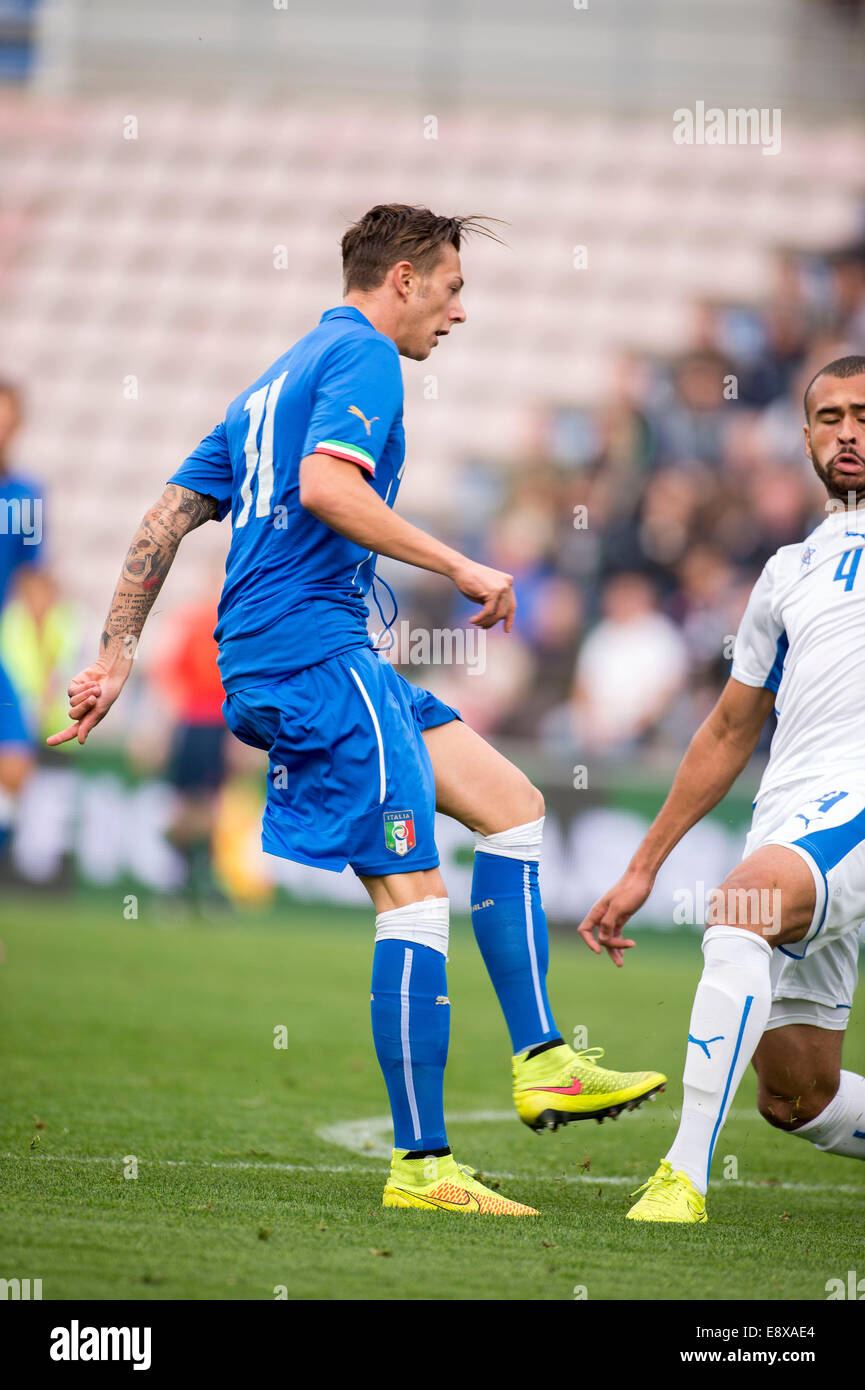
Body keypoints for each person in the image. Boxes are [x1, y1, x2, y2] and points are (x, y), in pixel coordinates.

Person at [49, 204, 664, 1217]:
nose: (459, 312)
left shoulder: (276, 377)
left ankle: (543, 1056)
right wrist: (460, 559)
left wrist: (114, 655)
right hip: (312, 657)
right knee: (415, 896)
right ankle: (422, 1166)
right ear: (406, 277)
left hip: (308, 656)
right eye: (453, 288)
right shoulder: (369, 359)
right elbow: (328, 488)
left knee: (511, 805)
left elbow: (166, 515)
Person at [579, 354, 865, 1223]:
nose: (848, 432)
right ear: (805, 436)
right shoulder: (787, 570)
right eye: (829, 418)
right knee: (798, 1097)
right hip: (794, 813)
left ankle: (681, 1179)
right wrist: (642, 867)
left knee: (738, 910)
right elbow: (729, 729)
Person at [0, 382, 44, 860]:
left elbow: (33, 578)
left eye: (7, 425)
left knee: (15, 768)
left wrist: (47, 665)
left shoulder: (24, 496)